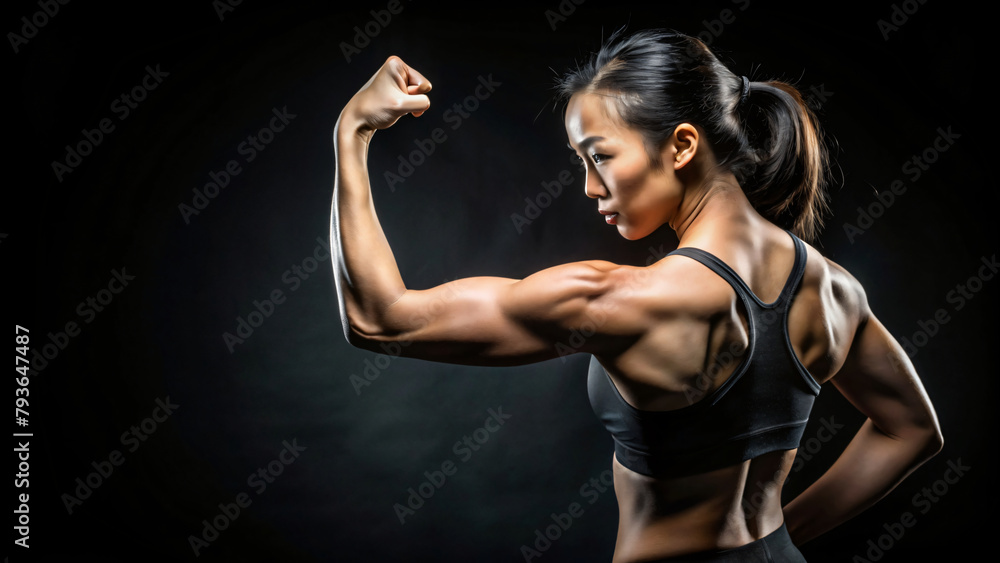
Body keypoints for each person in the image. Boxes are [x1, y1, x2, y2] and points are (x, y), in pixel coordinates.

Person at [330, 28, 942, 562]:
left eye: (600, 156)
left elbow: (378, 320)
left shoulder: (623, 300)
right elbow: (912, 429)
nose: (589, 188)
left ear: (681, 145)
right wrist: (778, 543)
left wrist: (352, 132)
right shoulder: (835, 288)